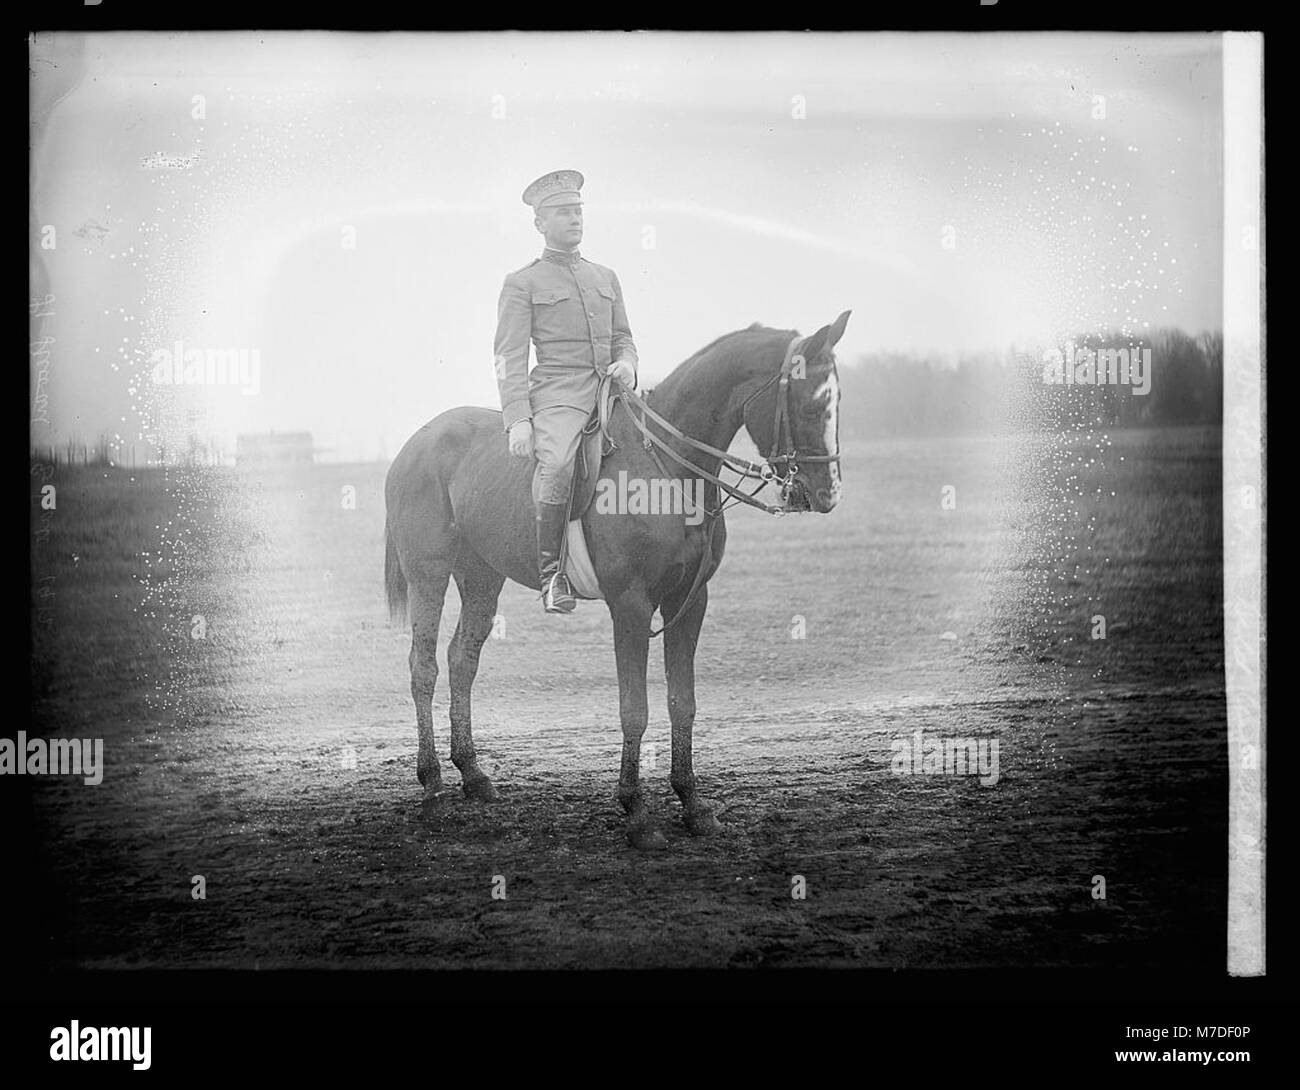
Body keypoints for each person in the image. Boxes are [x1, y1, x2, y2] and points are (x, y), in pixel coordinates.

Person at [493, 169, 639, 613]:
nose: (574, 219)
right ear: (539, 223)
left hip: (611, 391)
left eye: (578, 210)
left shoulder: (605, 276)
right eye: (562, 212)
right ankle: (552, 575)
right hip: (559, 395)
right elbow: (508, 357)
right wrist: (518, 418)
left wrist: (628, 363)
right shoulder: (523, 283)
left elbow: (623, 337)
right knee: (556, 464)